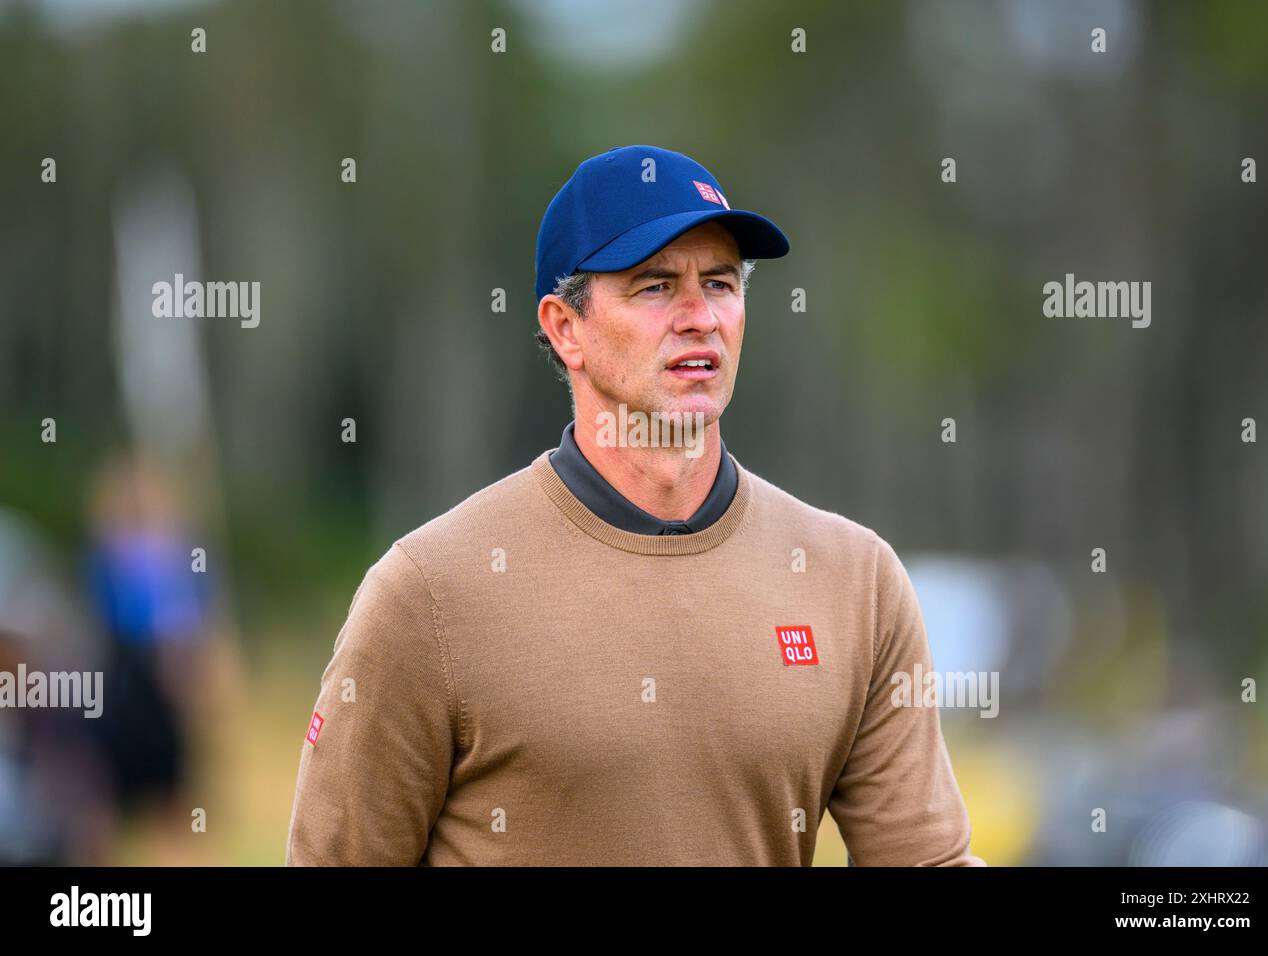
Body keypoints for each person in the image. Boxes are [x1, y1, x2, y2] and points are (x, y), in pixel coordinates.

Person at [285, 144, 984, 866]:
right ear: (565, 328)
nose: (699, 316)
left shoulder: (854, 580)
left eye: (719, 283)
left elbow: (925, 861)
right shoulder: (428, 594)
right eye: (655, 286)